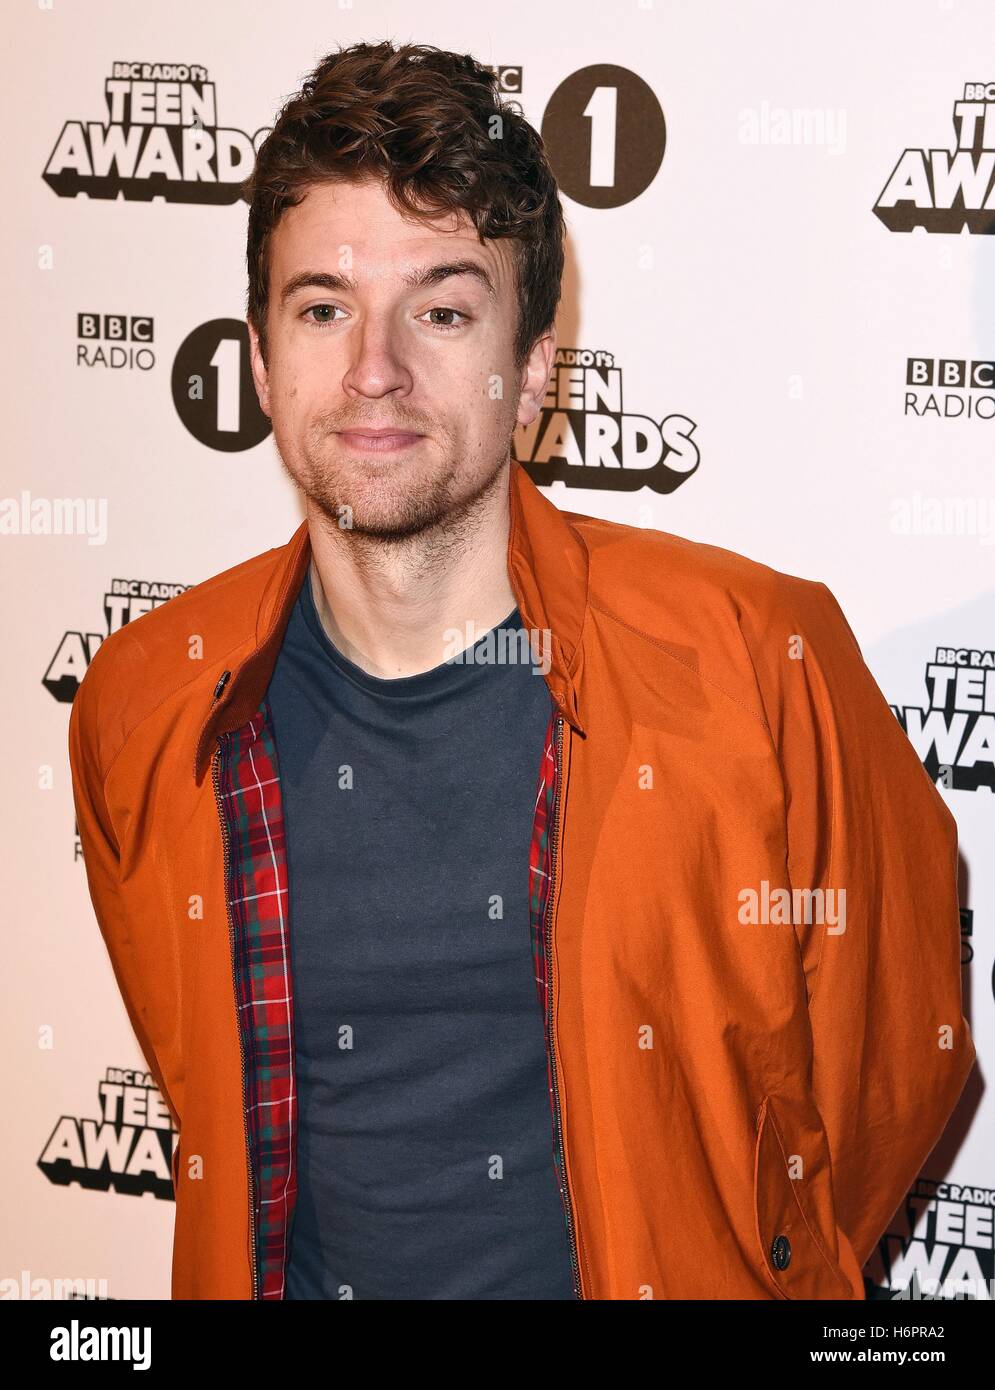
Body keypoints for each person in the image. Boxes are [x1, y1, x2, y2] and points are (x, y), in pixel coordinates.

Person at [68, 40, 975, 1301]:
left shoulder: (756, 662)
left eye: (441, 309)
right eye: (322, 306)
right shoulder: (146, 702)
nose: (374, 368)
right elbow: (205, 1078)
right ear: (263, 362)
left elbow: (889, 1075)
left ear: (537, 365)